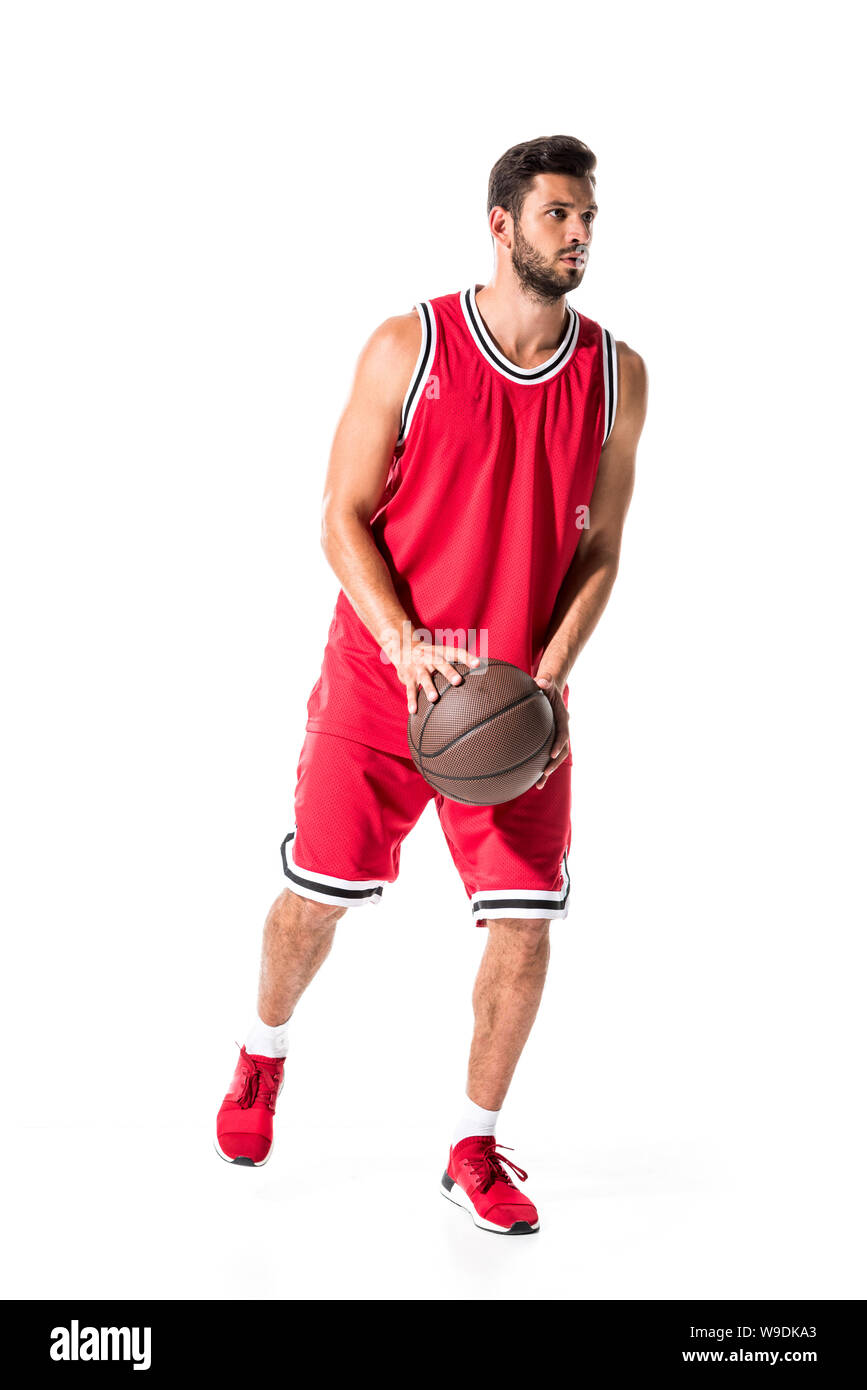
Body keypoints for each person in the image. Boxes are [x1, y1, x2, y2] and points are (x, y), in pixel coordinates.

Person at [215, 134, 648, 1234]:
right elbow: (338, 517)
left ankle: (474, 1142)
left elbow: (602, 552)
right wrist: (406, 640)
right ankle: (261, 1057)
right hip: (385, 670)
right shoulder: (408, 345)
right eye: (558, 216)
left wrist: (554, 668)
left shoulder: (616, 374)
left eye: (589, 217)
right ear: (500, 224)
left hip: (513, 689)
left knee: (527, 923)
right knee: (319, 893)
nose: (580, 235)